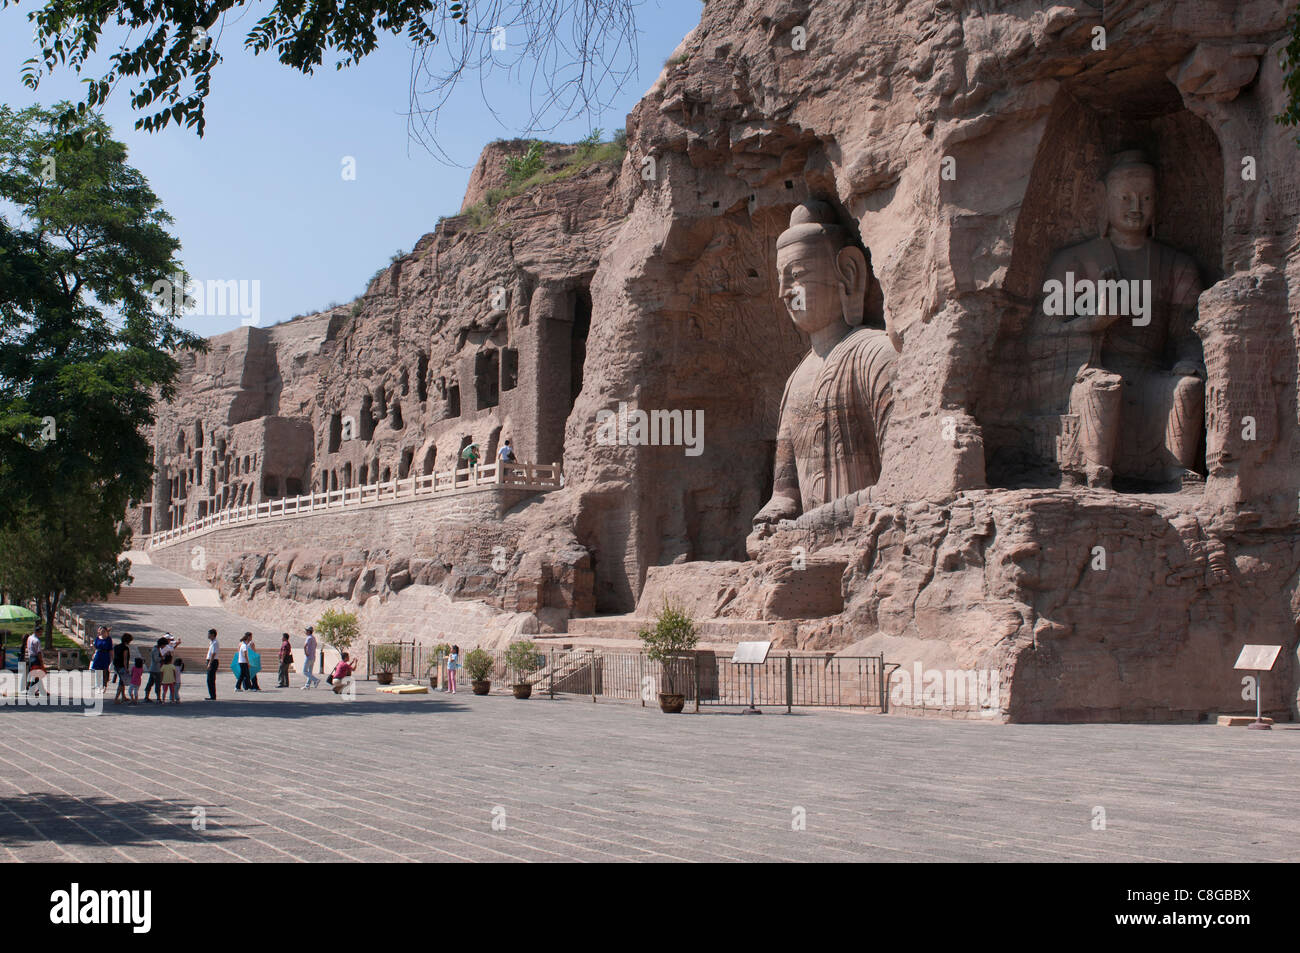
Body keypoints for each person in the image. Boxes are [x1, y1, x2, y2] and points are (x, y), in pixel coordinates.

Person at [112, 634, 133, 705]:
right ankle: (116, 698)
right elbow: (125, 659)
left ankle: (123, 696)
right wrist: (126, 668)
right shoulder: (125, 648)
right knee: (121, 683)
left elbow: (114, 656)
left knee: (122, 682)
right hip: (122, 667)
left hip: (116, 666)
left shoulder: (116, 647)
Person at [90, 626, 112, 692]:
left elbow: (111, 649)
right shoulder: (97, 638)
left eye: (103, 631)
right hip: (98, 655)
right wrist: (92, 646)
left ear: (106, 632)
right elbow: (95, 647)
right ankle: (98, 685)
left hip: (105, 656)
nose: (102, 632)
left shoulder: (108, 639)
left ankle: (104, 685)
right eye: (101, 631)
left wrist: (112, 658)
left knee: (104, 671)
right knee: (97, 671)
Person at [145, 638, 167, 702]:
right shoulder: (156, 650)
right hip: (156, 670)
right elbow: (156, 659)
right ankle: (158, 698)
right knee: (157, 684)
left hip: (153, 669)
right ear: (162, 644)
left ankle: (147, 696)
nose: (164, 646)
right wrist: (163, 658)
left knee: (150, 683)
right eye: (164, 645)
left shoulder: (156, 649)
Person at [205, 629, 219, 700]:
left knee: (210, 679)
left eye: (209, 634)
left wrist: (210, 663)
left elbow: (213, 653)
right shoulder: (212, 642)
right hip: (211, 661)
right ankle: (212, 695)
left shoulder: (215, 642)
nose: (208, 635)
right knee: (210, 679)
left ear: (213, 634)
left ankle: (213, 696)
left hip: (213, 661)